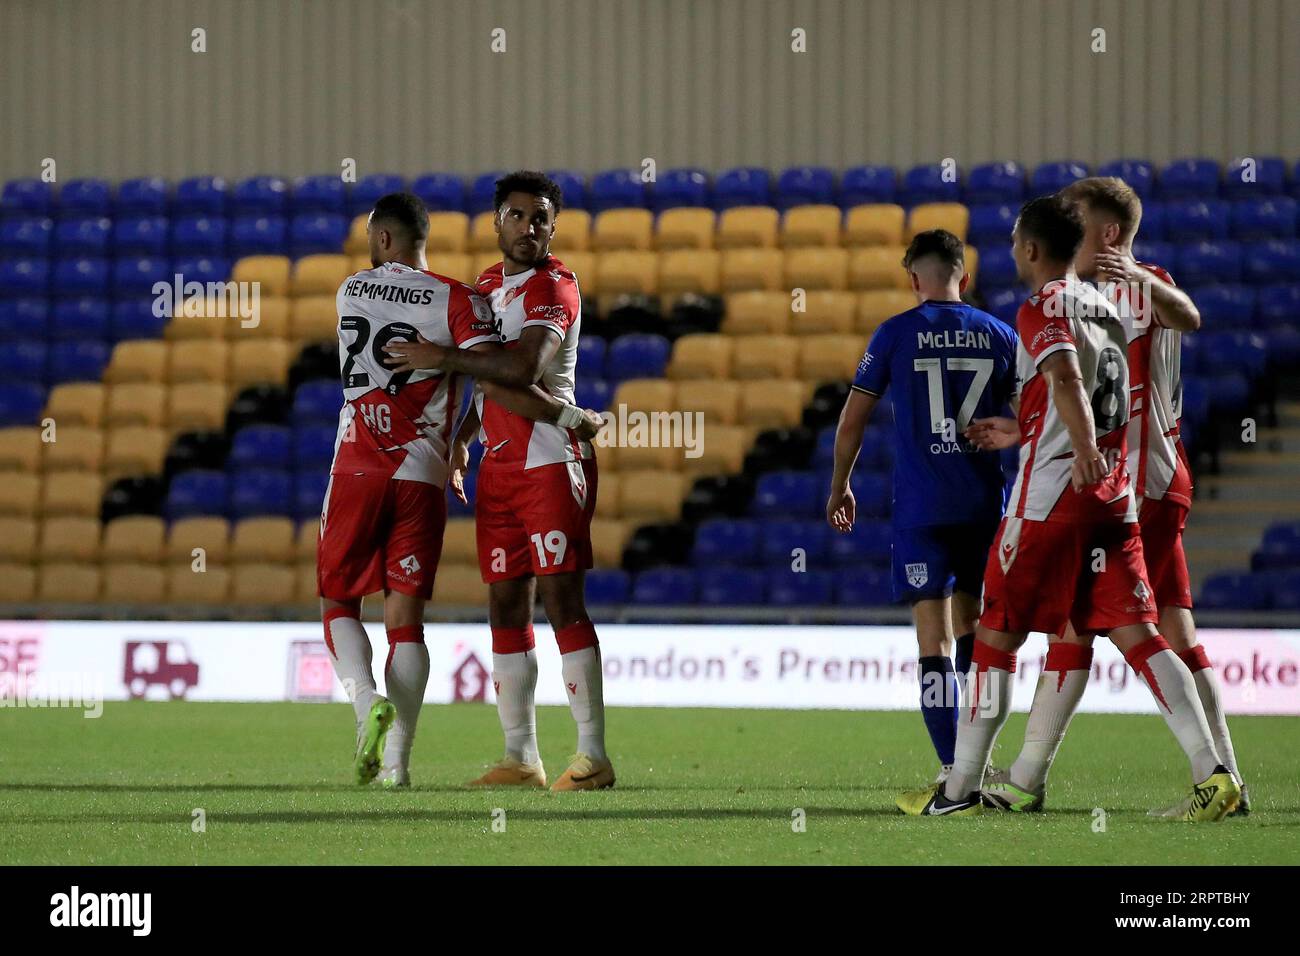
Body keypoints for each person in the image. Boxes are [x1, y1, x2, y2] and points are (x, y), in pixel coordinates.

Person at [898, 195, 1239, 821]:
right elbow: (1086, 386)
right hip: (1115, 500)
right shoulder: (1109, 306)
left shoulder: (1041, 307)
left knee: (995, 637)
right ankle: (1213, 772)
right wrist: (1051, 435)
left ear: (1030, 250)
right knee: (1140, 633)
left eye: (1012, 244)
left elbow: (1065, 379)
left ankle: (958, 789)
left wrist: (1078, 448)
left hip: (1050, 500)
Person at [319, 191, 598, 788]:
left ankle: (591, 753)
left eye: (539, 219)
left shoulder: (552, 287)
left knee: (560, 598)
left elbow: (516, 370)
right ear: (496, 221)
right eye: (517, 216)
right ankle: (517, 758)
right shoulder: (474, 291)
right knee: (482, 606)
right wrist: (466, 432)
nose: (528, 227)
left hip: (535, 458)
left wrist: (572, 420)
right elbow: (484, 379)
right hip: (465, 467)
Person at [826, 229, 1016, 791]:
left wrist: (841, 486)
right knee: (980, 630)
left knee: (932, 639)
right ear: (967, 275)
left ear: (914, 279)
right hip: (984, 505)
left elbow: (852, 421)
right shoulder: (1001, 335)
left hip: (921, 510)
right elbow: (1041, 412)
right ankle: (979, 761)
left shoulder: (893, 335)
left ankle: (953, 766)